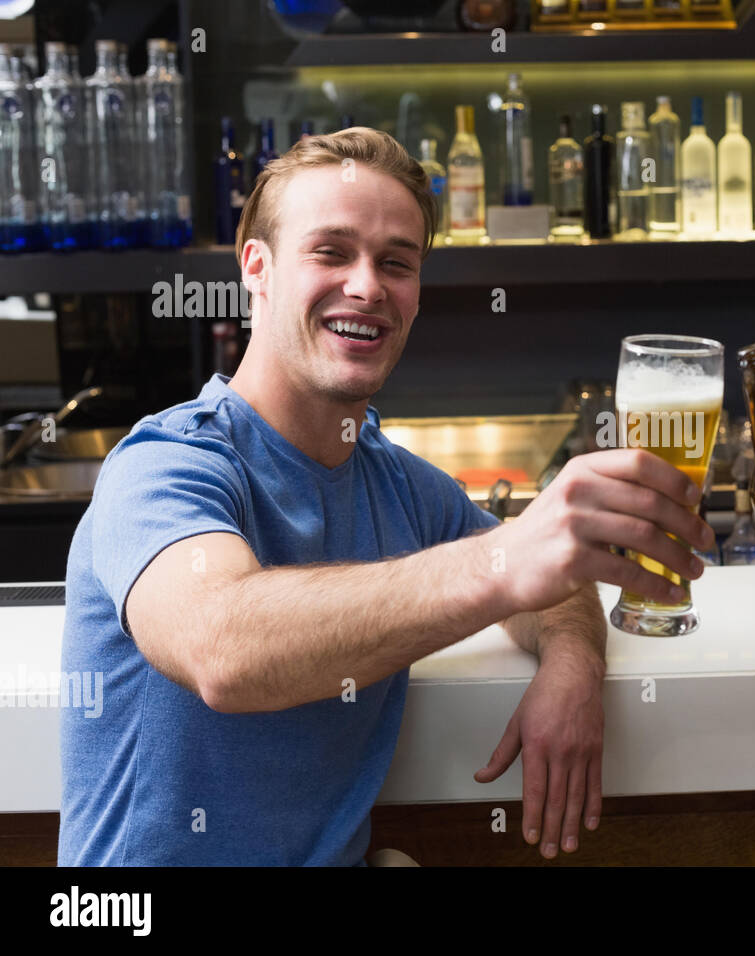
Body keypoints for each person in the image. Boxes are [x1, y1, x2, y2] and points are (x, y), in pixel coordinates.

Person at [58, 128, 714, 866]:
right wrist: (501, 560)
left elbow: (549, 590)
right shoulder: (165, 465)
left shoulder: (397, 483)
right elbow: (222, 648)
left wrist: (572, 665)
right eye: (331, 251)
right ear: (258, 269)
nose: (367, 285)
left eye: (396, 263)